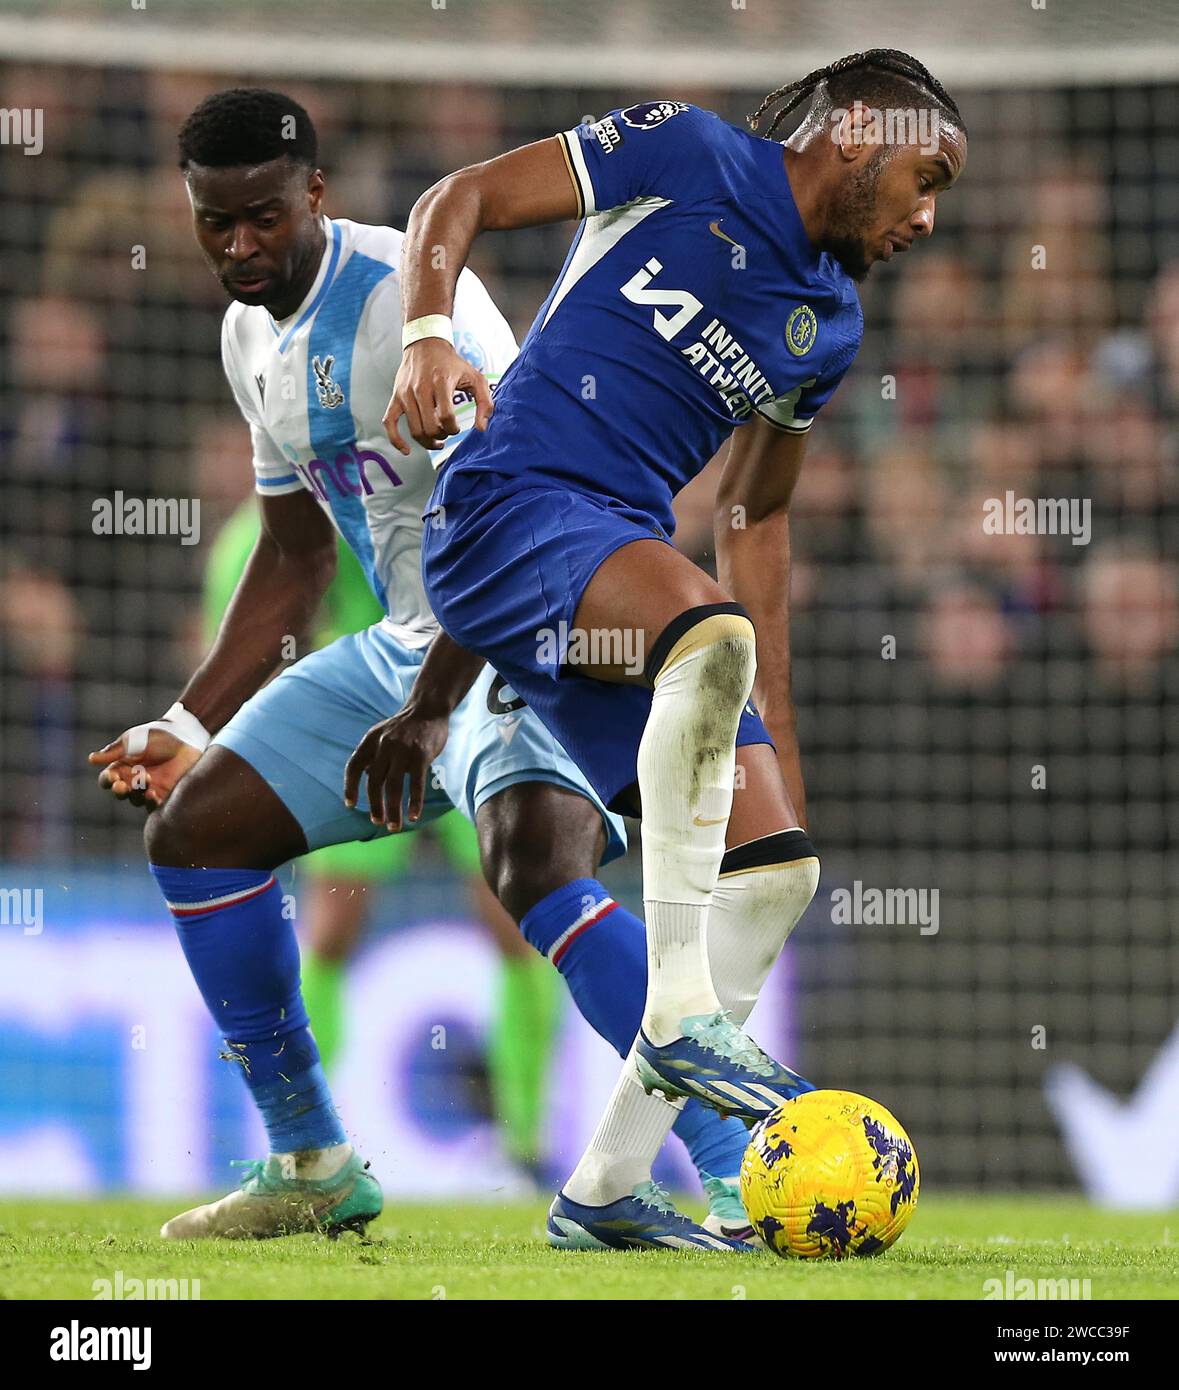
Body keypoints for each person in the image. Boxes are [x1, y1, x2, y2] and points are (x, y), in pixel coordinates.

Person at [88, 88, 753, 1250]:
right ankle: (311, 1161)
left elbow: (520, 497)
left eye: (262, 217)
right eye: (214, 223)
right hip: (399, 644)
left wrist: (437, 706)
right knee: (194, 830)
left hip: (519, 623)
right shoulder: (249, 337)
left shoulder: (412, 295)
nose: (240, 246)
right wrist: (188, 722)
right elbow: (296, 557)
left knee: (534, 862)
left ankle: (741, 1158)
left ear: (317, 194)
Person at [386, 51, 966, 1243]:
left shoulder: (831, 322)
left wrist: (781, 734)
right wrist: (428, 334)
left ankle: (599, 1191)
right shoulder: (690, 151)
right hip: (510, 503)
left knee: (776, 875)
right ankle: (687, 1008)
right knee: (706, 633)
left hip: (604, 577)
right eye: (925, 173)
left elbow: (753, 516)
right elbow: (459, 197)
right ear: (857, 127)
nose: (926, 214)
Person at [202, 499, 565, 1183]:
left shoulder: (443, 478)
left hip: (472, 709)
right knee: (331, 928)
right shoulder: (259, 534)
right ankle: (301, 1141)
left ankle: (524, 1140)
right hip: (362, 723)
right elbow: (254, 650)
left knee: (518, 921)